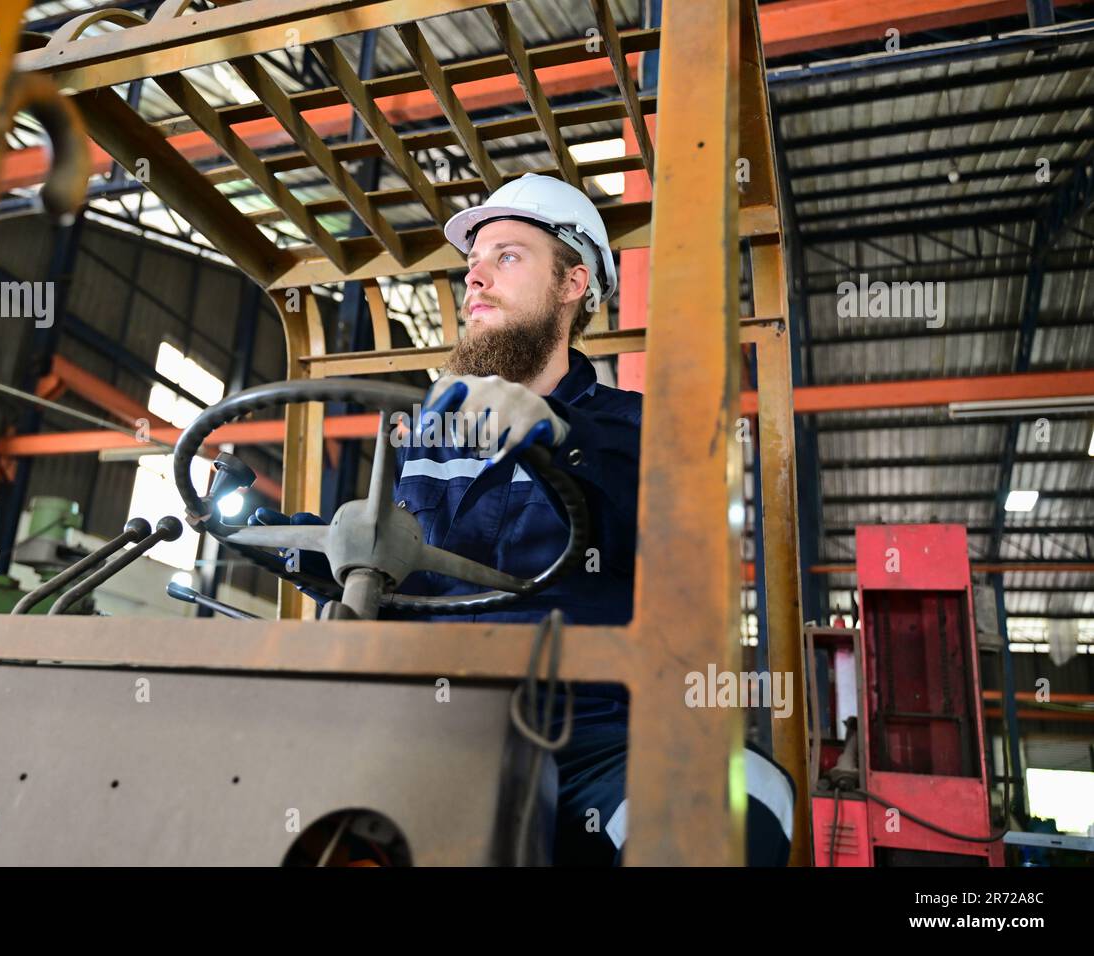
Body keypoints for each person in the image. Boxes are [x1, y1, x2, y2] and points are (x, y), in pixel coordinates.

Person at [251, 173, 792, 865]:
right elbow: (398, 565)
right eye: (472, 266)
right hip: (424, 721)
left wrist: (563, 438)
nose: (475, 280)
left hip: (585, 738)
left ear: (572, 285)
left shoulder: (640, 430)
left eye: (506, 256)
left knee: (741, 798)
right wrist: (292, 540)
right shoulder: (428, 437)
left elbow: (680, 539)